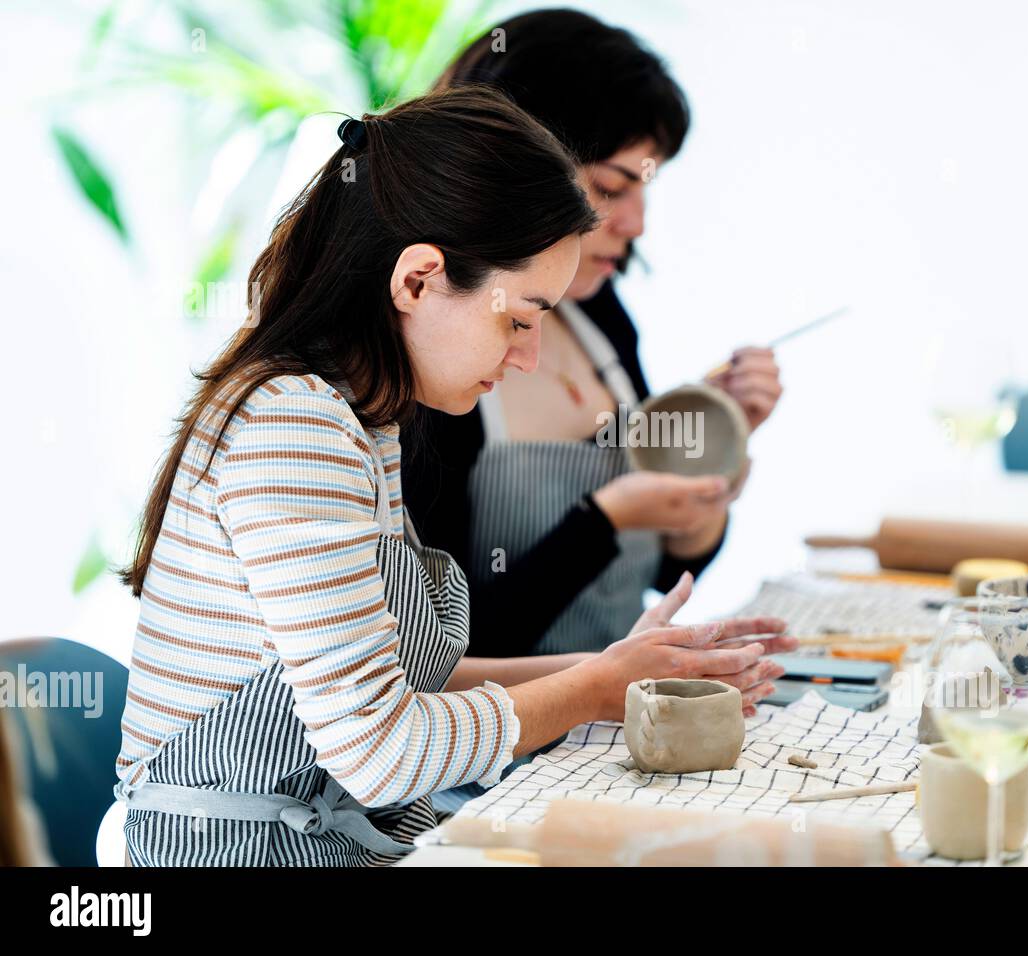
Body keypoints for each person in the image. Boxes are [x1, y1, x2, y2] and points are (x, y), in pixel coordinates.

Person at [114, 87, 791, 866]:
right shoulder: (295, 427)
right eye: (519, 319)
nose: (529, 356)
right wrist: (594, 690)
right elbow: (381, 750)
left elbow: (395, 683)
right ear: (417, 280)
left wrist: (618, 671)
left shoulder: (359, 416)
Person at [402, 10, 784, 662]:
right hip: (495, 747)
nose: (635, 224)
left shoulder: (600, 312)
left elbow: (662, 572)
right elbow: (438, 657)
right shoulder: (433, 354)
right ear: (512, 168)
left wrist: (712, 447)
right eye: (610, 187)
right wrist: (604, 519)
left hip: (604, 722)